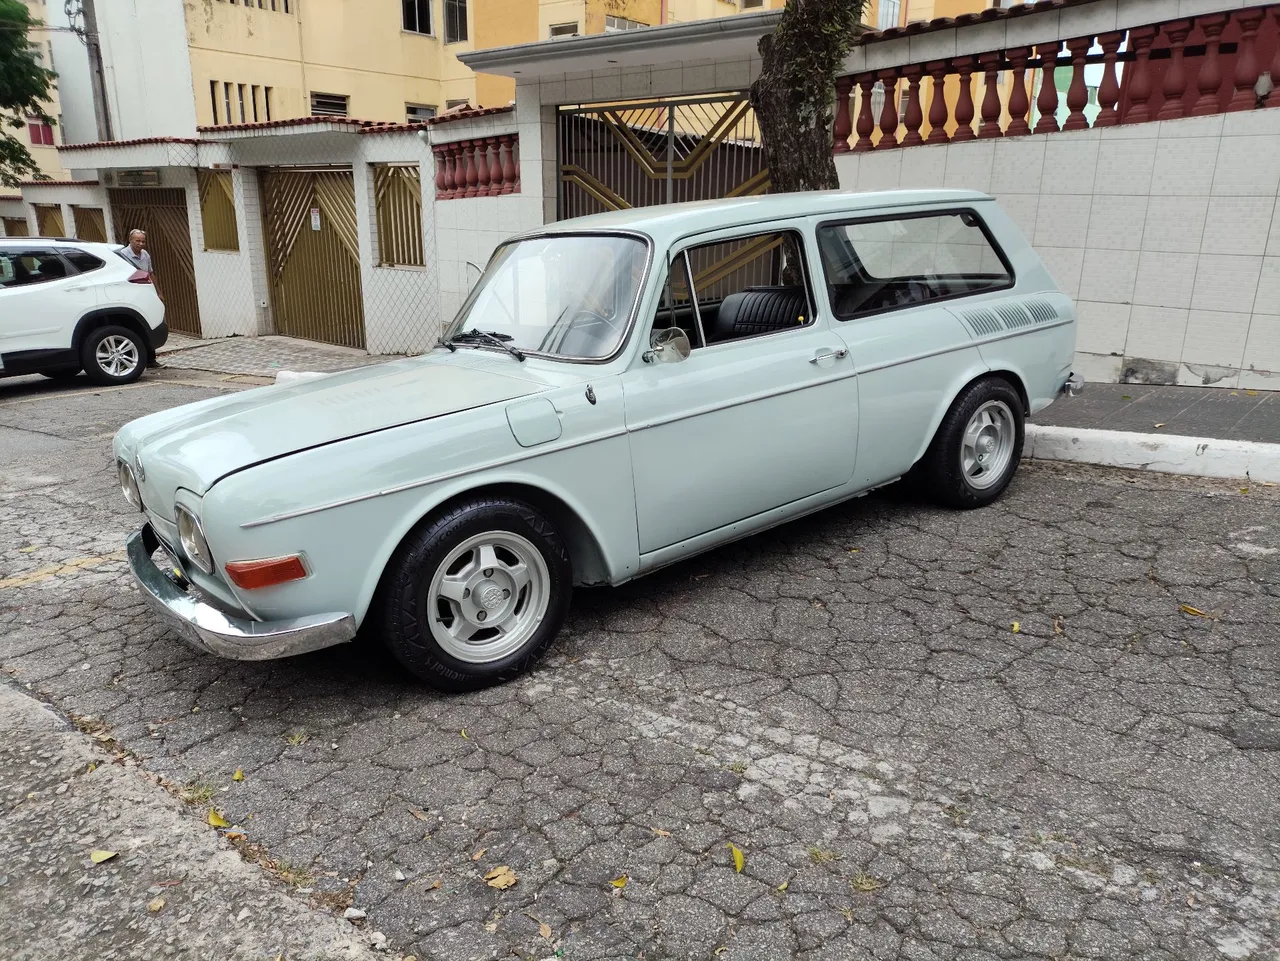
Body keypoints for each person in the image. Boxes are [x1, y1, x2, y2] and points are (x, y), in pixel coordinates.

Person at [119, 229, 163, 302]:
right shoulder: (123, 255)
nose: (141, 244)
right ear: (130, 240)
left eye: (143, 241)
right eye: (138, 241)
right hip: (131, 294)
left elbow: (150, 274)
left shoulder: (145, 254)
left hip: (146, 291)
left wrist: (158, 292)